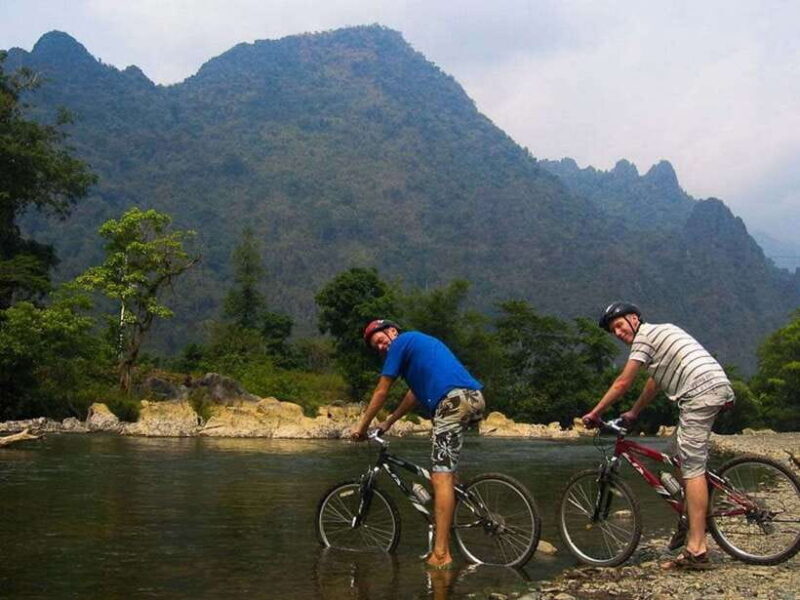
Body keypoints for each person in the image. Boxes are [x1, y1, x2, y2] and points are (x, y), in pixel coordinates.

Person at [582, 302, 734, 570]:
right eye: (613, 330)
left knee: (691, 467)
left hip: (701, 393)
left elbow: (623, 382)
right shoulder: (659, 334)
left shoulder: (644, 338)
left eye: (619, 325)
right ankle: (690, 515)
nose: (617, 332)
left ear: (634, 319)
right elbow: (654, 382)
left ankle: (697, 549)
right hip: (710, 388)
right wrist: (634, 412)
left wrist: (595, 413)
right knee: (674, 454)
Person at [351, 319, 485, 570]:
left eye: (380, 340)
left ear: (392, 331)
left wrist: (362, 427)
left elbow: (381, 391)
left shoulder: (400, 343)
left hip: (452, 403)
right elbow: (413, 395)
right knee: (447, 474)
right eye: (375, 346)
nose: (380, 347)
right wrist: (388, 422)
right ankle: (449, 518)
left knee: (440, 477)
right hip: (472, 398)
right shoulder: (415, 348)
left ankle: (441, 554)